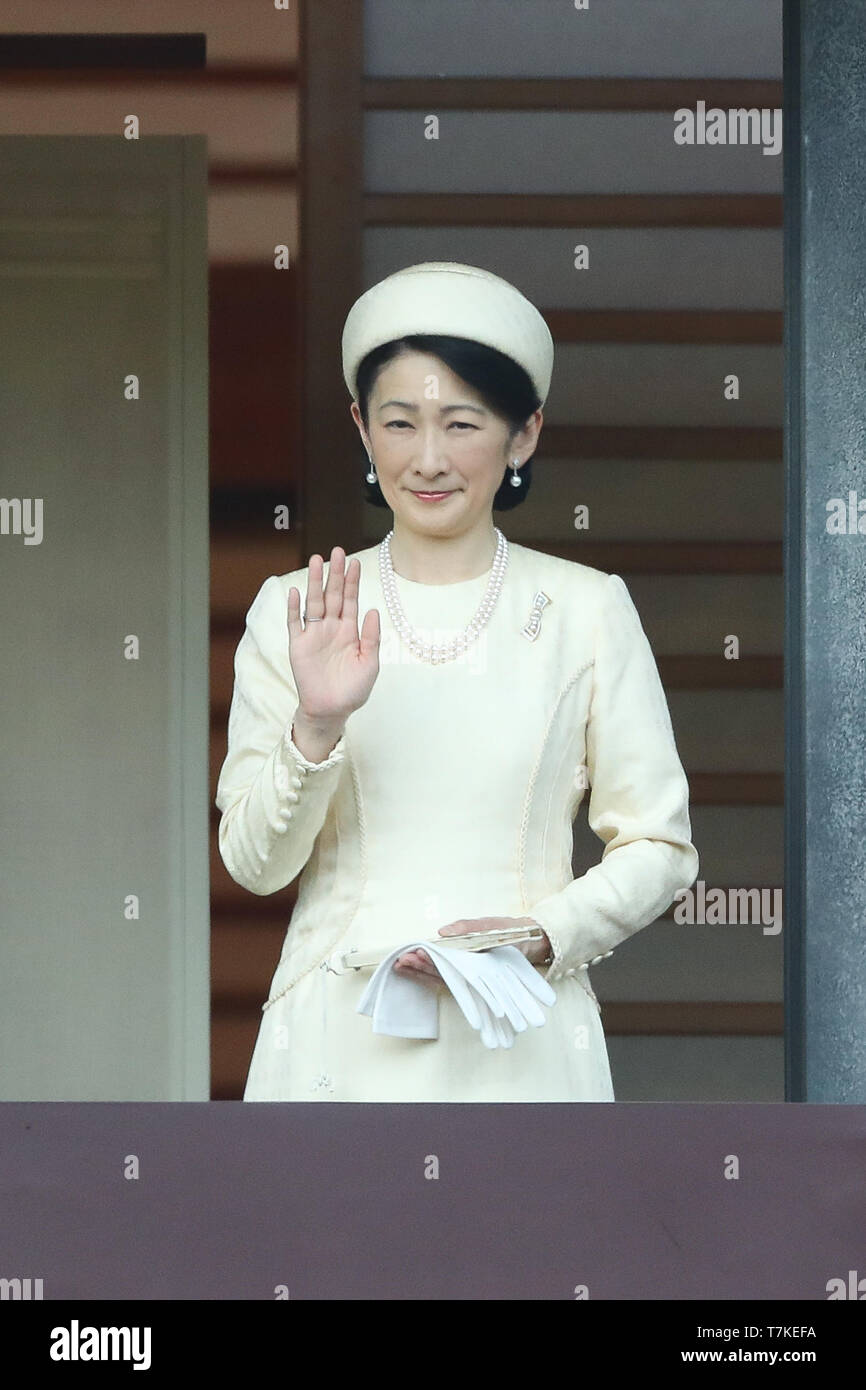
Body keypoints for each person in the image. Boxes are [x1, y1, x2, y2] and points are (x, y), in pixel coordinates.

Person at [215, 261, 699, 1101]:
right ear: (362, 429)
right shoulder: (294, 609)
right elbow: (255, 866)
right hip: (334, 1046)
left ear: (525, 434)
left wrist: (542, 936)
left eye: (463, 424)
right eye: (400, 423)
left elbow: (659, 844)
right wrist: (316, 728)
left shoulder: (586, 609)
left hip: (522, 1035)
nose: (429, 459)